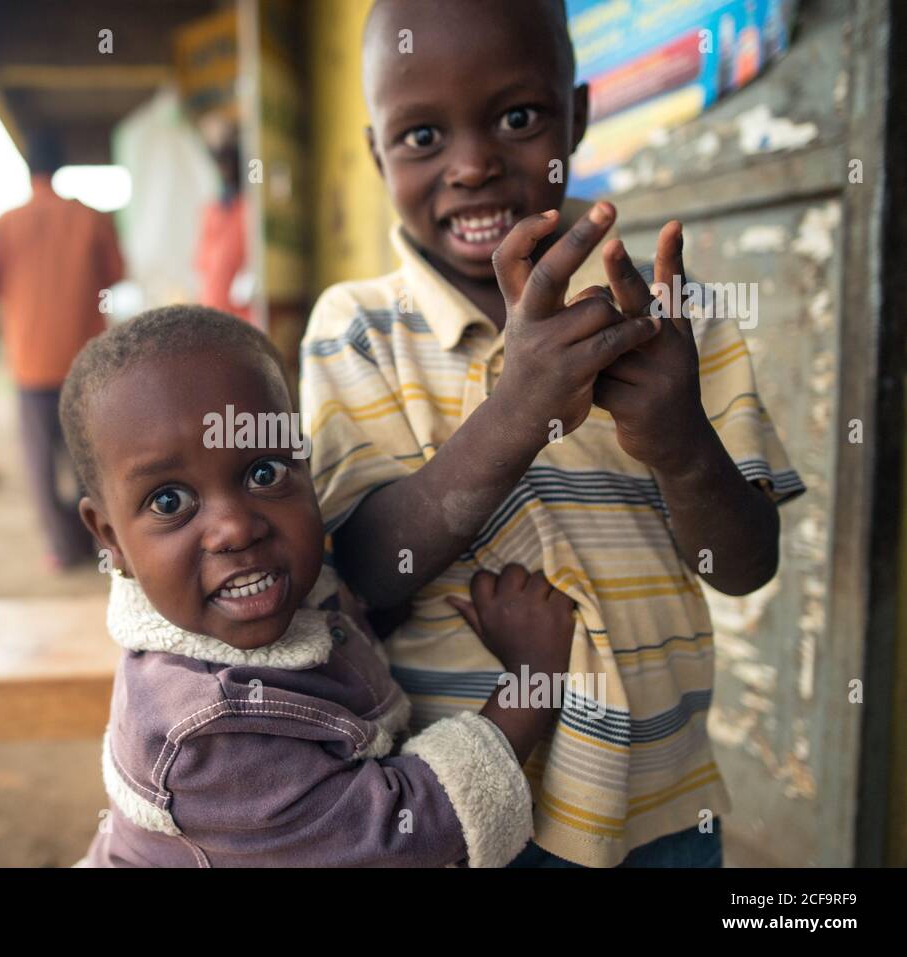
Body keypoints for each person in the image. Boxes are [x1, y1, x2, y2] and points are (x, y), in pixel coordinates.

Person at [298, 0, 805, 867]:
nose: (473, 165)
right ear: (377, 150)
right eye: (422, 136)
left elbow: (744, 564)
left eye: (519, 118)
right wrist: (514, 414)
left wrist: (684, 444)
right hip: (473, 809)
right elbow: (367, 571)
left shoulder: (670, 321)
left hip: (665, 806)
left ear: (578, 114)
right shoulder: (358, 329)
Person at [61, 306, 576, 867]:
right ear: (110, 537)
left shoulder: (280, 592)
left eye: (265, 472)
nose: (235, 527)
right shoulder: (208, 732)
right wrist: (533, 679)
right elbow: (396, 839)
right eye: (169, 502)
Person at [0, 130, 124, 571]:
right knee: (87, 456)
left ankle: (61, 548)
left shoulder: (5, 225)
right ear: (62, 166)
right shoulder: (90, 219)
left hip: (30, 364)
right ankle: (101, 545)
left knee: (39, 463)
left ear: (28, 168)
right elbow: (116, 272)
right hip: (85, 362)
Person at [193, 121, 253, 324]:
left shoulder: (250, 210)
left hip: (242, 318)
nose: (222, 169)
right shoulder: (214, 211)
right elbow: (203, 268)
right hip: (214, 315)